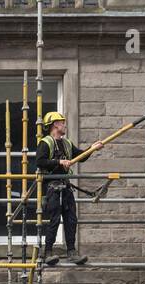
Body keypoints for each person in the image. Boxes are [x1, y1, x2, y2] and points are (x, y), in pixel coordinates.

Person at [35, 111, 102, 266]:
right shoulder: (46, 143)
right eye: (62, 122)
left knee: (71, 219)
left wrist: (92, 148)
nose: (64, 125)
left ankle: (71, 252)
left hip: (65, 187)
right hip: (53, 188)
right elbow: (40, 161)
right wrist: (59, 162)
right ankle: (48, 253)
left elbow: (81, 156)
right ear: (55, 124)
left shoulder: (66, 144)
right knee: (55, 219)